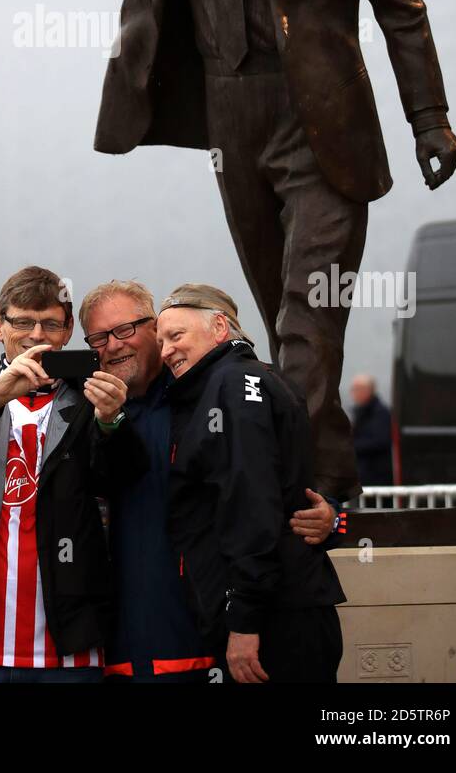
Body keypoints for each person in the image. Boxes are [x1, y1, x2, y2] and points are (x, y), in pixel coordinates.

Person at [0, 0, 456, 501]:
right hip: (230, 118)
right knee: (280, 315)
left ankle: (284, 488)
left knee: (309, 312)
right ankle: (326, 479)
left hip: (319, 122)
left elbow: (400, 7)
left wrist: (429, 118)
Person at [81, 279, 337, 683]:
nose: (113, 345)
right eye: (99, 337)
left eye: (126, 329)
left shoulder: (208, 391)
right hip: (124, 645)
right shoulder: (84, 412)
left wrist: (334, 519)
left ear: (152, 327)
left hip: (218, 636)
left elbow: (279, 483)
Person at [0, 265, 147, 683]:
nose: (36, 336)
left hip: (67, 642)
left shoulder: (91, 391)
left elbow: (122, 478)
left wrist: (111, 421)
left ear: (68, 331)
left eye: (50, 324)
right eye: (23, 322)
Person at [158, 285, 346, 683]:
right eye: (161, 342)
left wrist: (244, 619)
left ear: (219, 328)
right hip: (292, 607)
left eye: (176, 336)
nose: (165, 352)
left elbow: (250, 508)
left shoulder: (229, 385)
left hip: (273, 622)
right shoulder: (263, 377)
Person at [350, 375, 394, 487]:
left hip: (376, 476)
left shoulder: (380, 413)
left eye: (356, 389)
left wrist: (351, 446)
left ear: (367, 390)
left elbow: (380, 441)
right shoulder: (361, 412)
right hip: (364, 474)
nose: (353, 393)